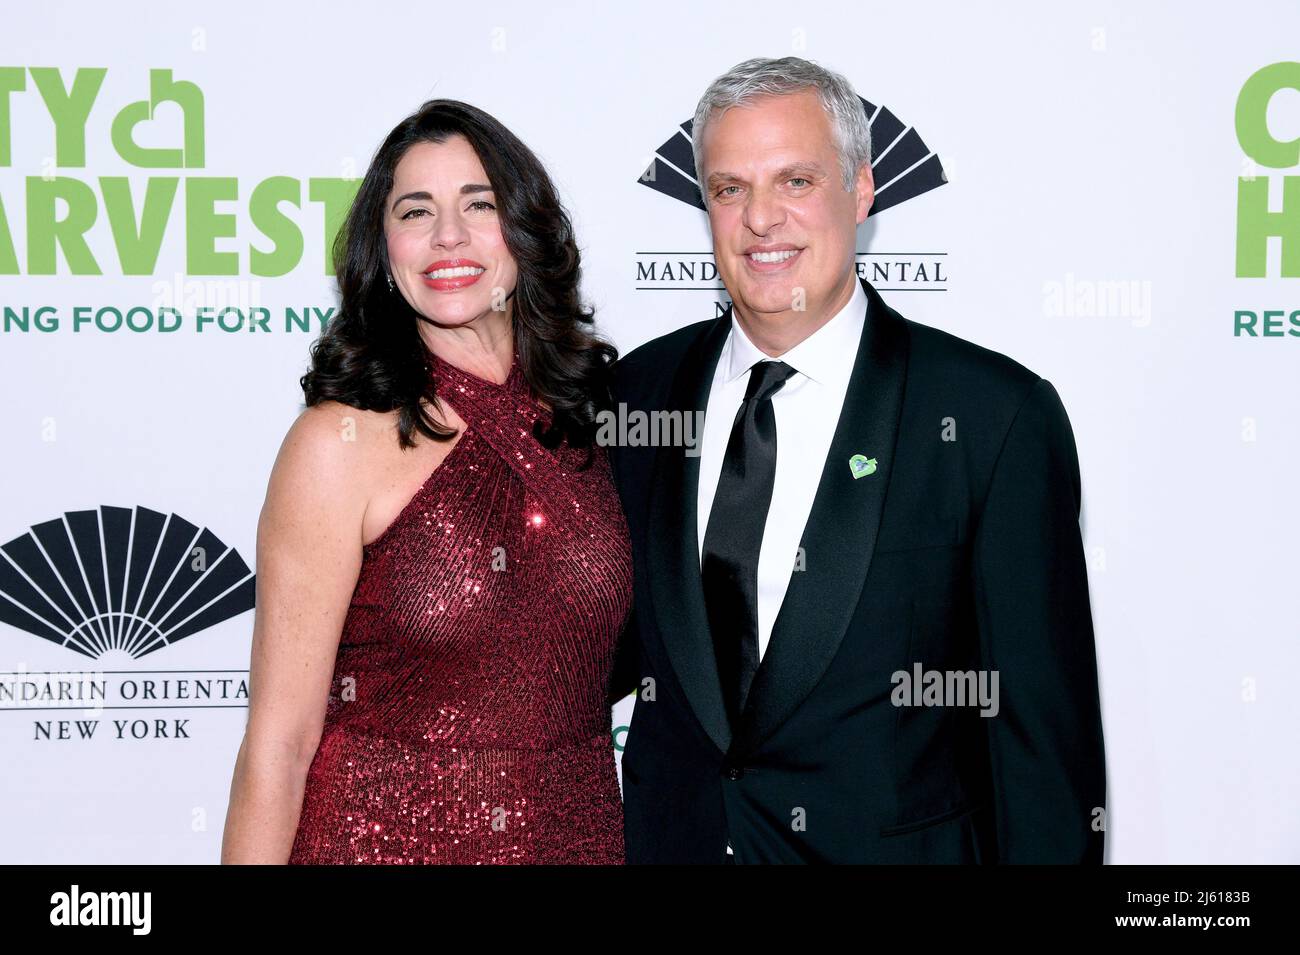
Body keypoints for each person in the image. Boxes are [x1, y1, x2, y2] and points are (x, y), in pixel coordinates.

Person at [607, 57, 1107, 863]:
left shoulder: (992, 417)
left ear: (863, 191)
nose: (760, 219)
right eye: (730, 188)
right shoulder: (636, 395)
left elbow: (1043, 755)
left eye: (796, 181)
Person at [221, 99, 631, 864]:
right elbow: (279, 742)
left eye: (479, 204)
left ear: (524, 228)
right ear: (385, 247)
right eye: (417, 211)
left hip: (576, 840)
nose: (449, 236)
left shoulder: (595, 420)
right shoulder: (337, 444)